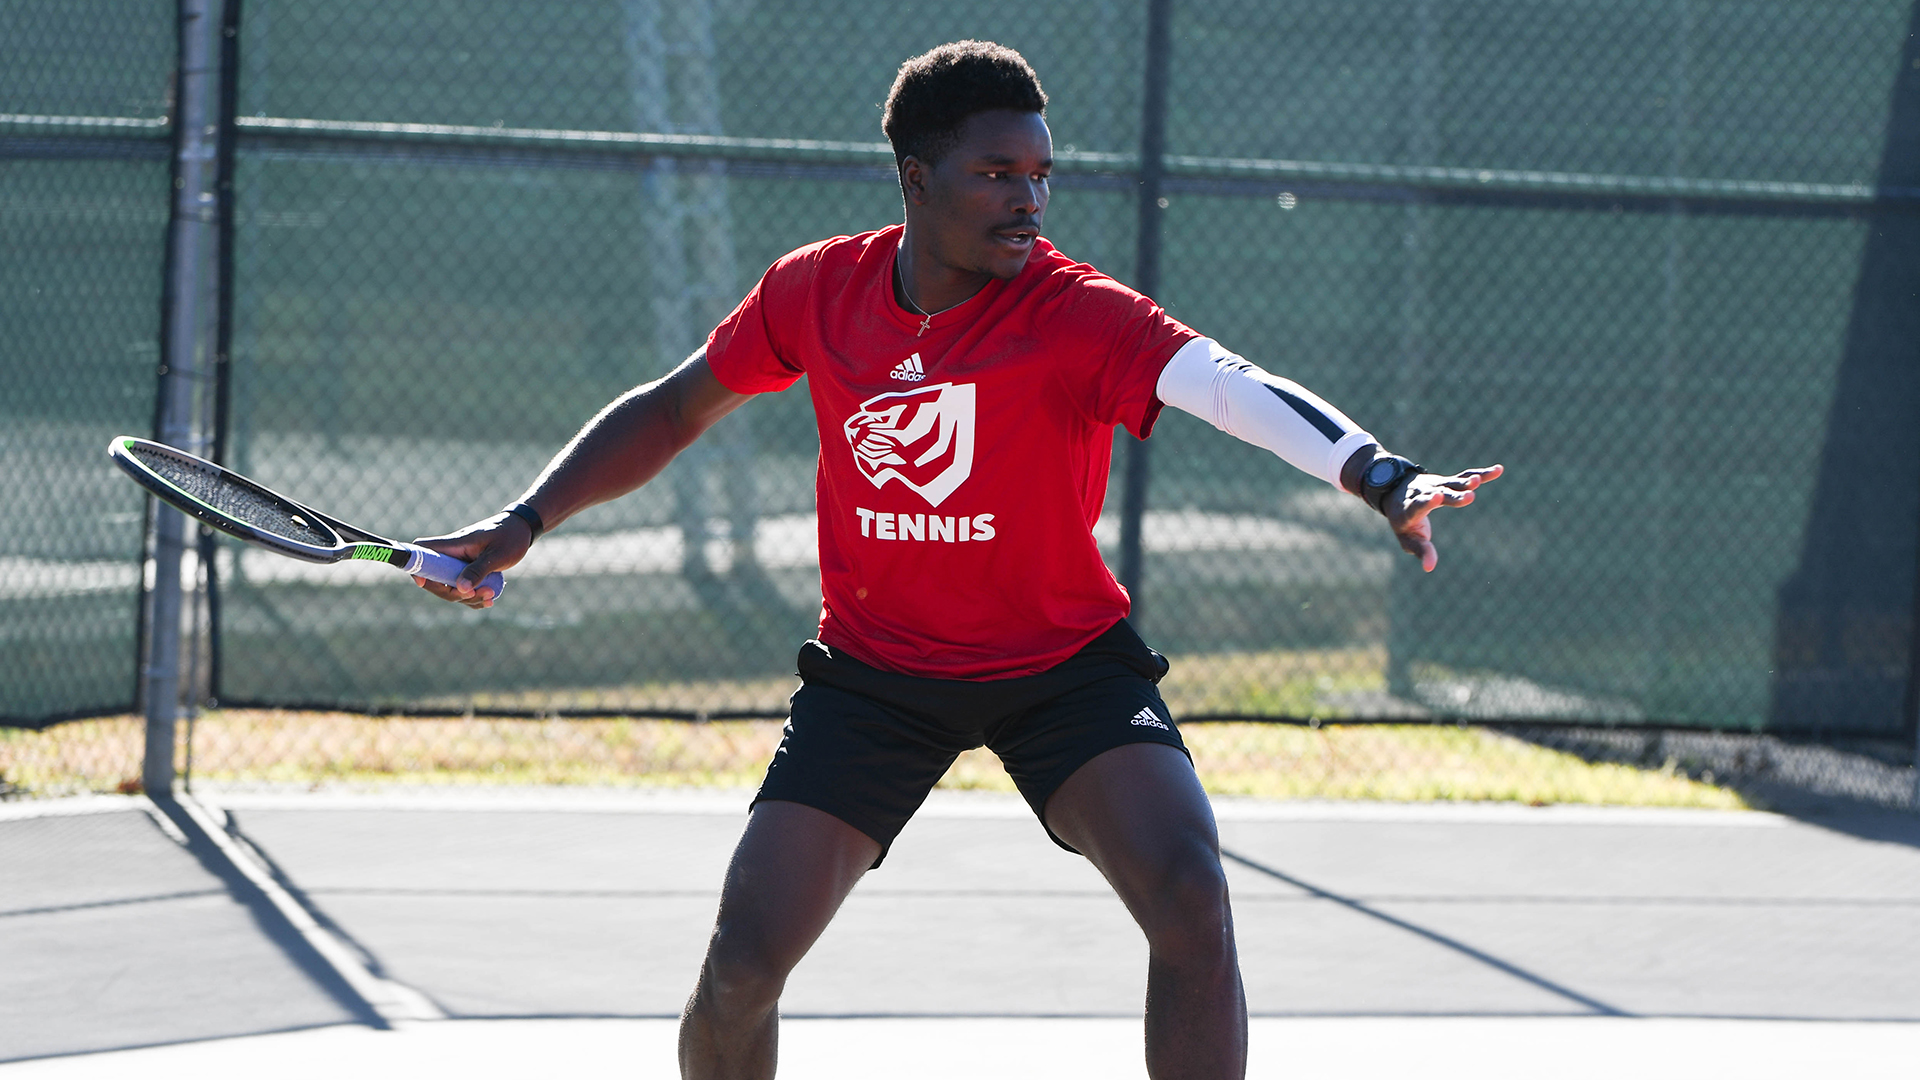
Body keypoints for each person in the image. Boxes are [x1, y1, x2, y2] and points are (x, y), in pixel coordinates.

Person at [416, 40, 1500, 1080]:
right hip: (877, 677)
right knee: (742, 964)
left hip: (1064, 670)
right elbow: (672, 408)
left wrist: (1378, 472)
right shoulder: (816, 291)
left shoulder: (1076, 313)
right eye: (994, 173)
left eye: (1040, 174)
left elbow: (1229, 386)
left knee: (1190, 900)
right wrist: (522, 523)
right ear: (915, 177)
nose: (1027, 198)